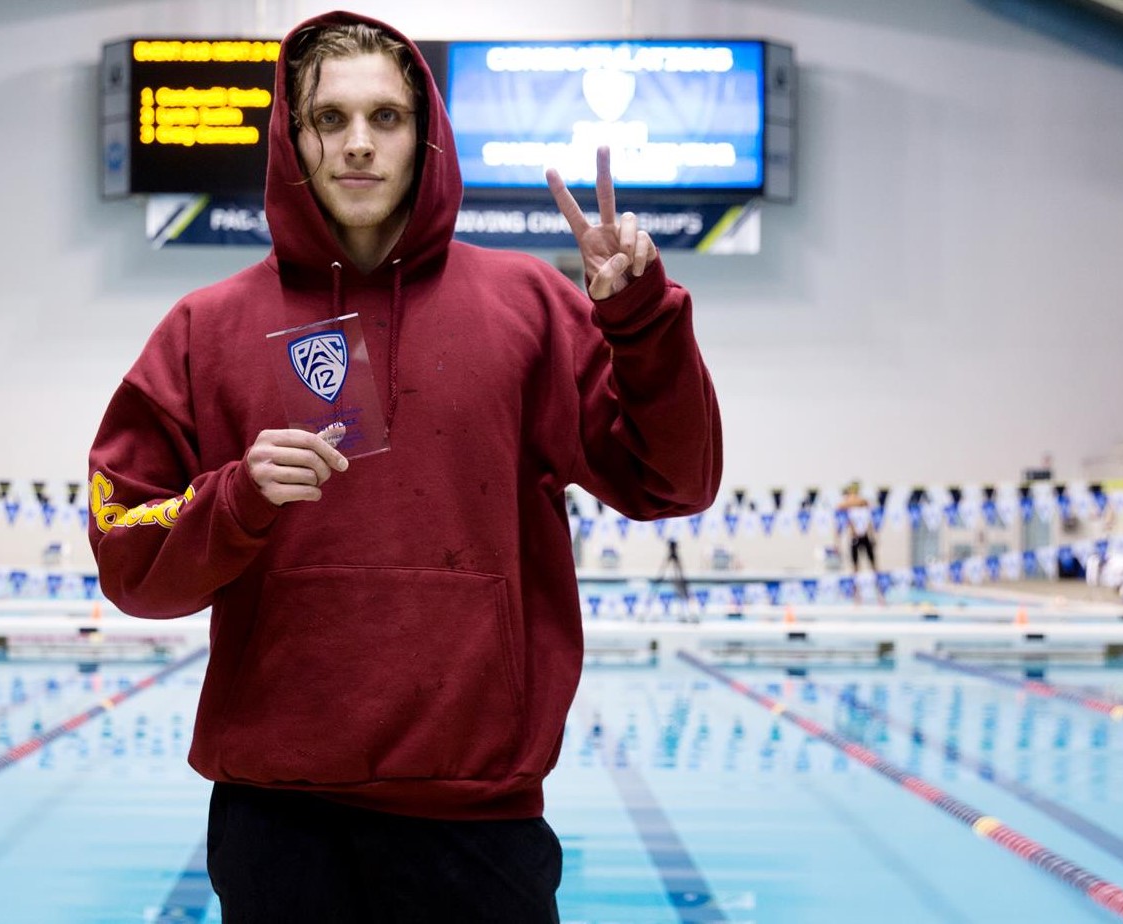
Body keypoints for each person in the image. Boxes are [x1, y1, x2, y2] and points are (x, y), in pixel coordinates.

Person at [87, 12, 721, 921]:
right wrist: (235, 499)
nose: (357, 144)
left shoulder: (531, 307)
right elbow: (126, 553)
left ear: (424, 138)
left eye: (384, 119)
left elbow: (674, 481)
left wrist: (644, 325)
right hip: (280, 821)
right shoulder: (206, 328)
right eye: (329, 119)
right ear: (293, 137)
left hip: (477, 818)